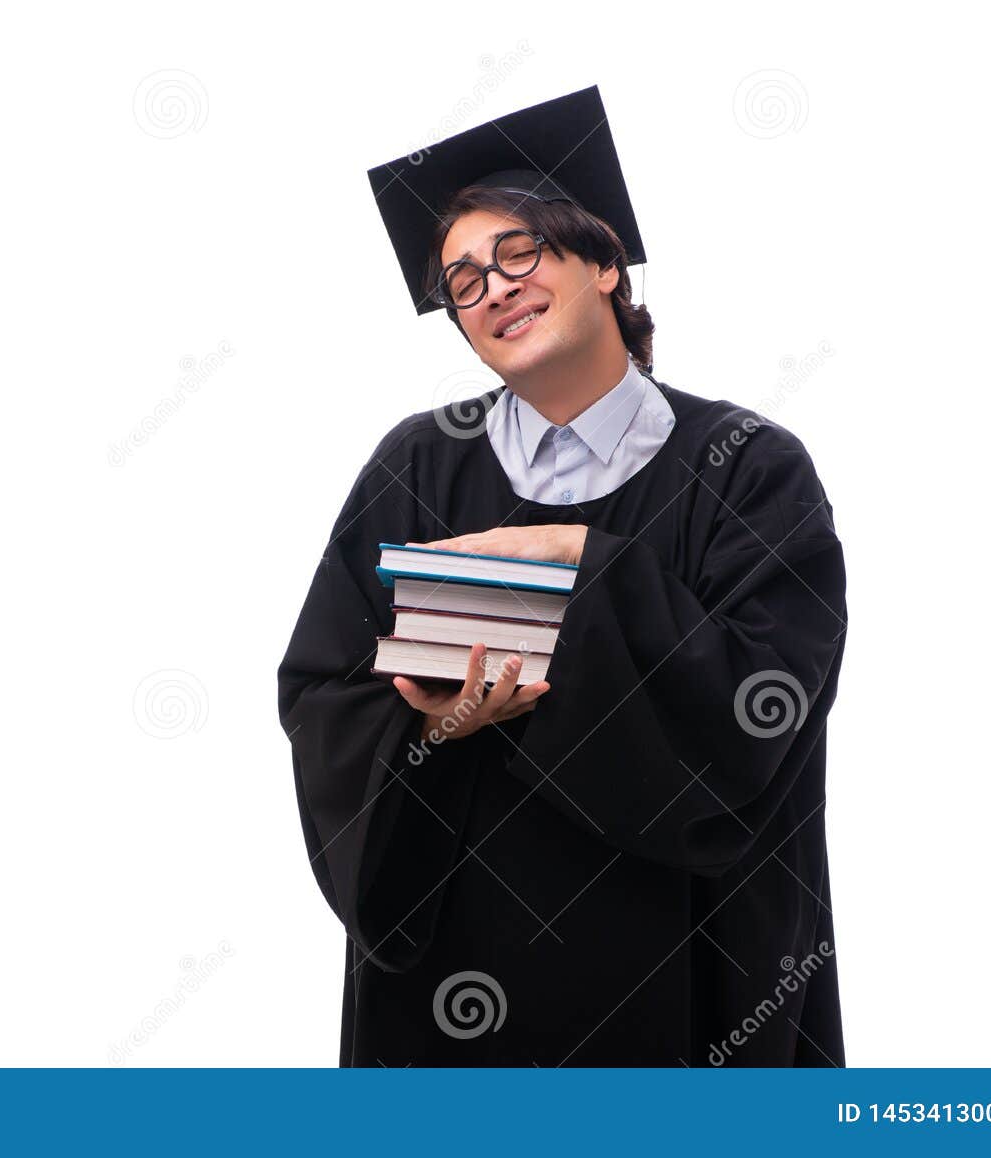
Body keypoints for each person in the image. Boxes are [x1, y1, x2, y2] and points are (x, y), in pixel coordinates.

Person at [276, 85, 849, 1066]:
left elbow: (767, 715)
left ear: (604, 264)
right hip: (453, 990)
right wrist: (431, 722)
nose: (492, 288)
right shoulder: (415, 466)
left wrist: (572, 564)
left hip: (682, 977)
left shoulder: (748, 464)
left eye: (518, 253)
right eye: (461, 280)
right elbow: (323, 691)